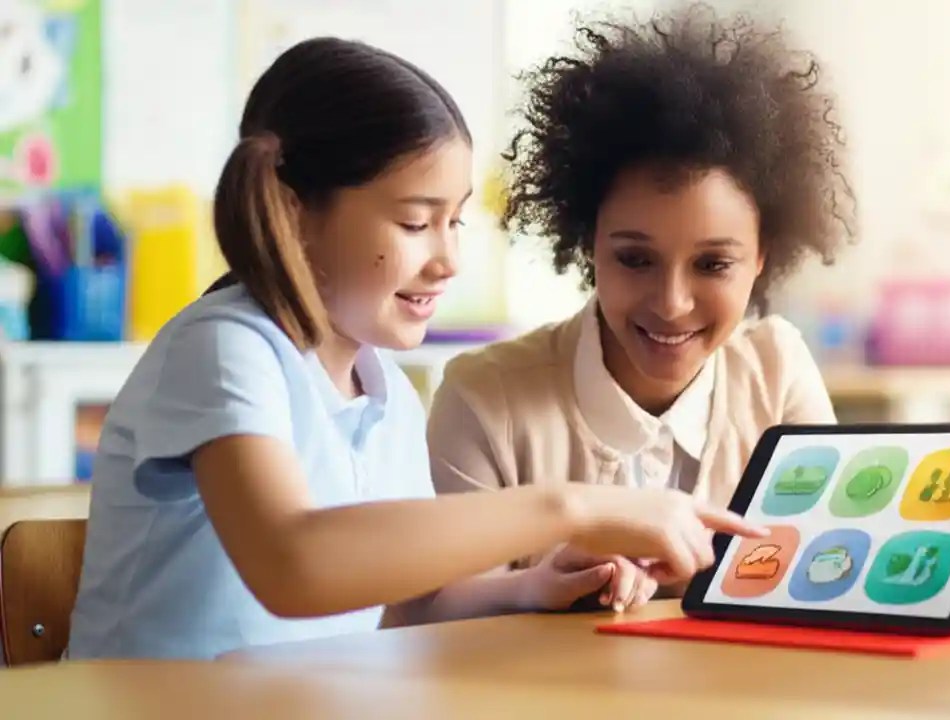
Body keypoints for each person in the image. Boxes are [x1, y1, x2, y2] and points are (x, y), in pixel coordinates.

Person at [65, 37, 760, 661]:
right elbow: (293, 566)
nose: (448, 259)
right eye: (415, 221)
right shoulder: (223, 348)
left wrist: (533, 587)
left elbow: (403, 609)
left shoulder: (384, 391)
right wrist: (574, 506)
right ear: (295, 213)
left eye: (455, 221)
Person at [428, 5, 856, 609]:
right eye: (635, 260)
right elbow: (430, 615)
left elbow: (828, 567)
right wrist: (535, 589)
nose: (673, 304)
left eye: (713, 265)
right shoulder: (484, 399)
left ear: (764, 256)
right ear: (588, 243)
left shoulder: (776, 371)